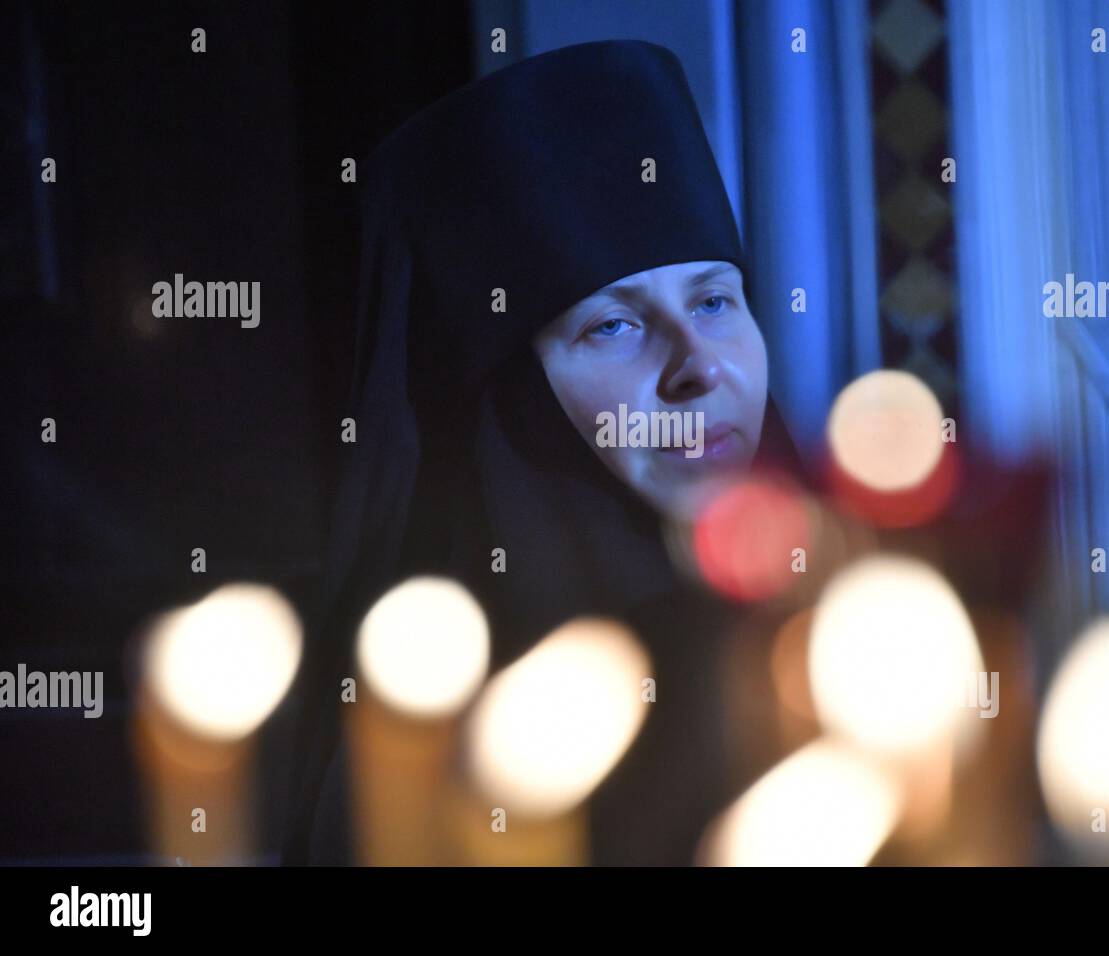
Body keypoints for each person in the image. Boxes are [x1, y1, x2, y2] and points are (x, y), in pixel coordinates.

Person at [282, 39, 808, 866]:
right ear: (510, 399)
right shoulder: (418, 744)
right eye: (613, 325)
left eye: (713, 300)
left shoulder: (848, 645)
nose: (701, 366)